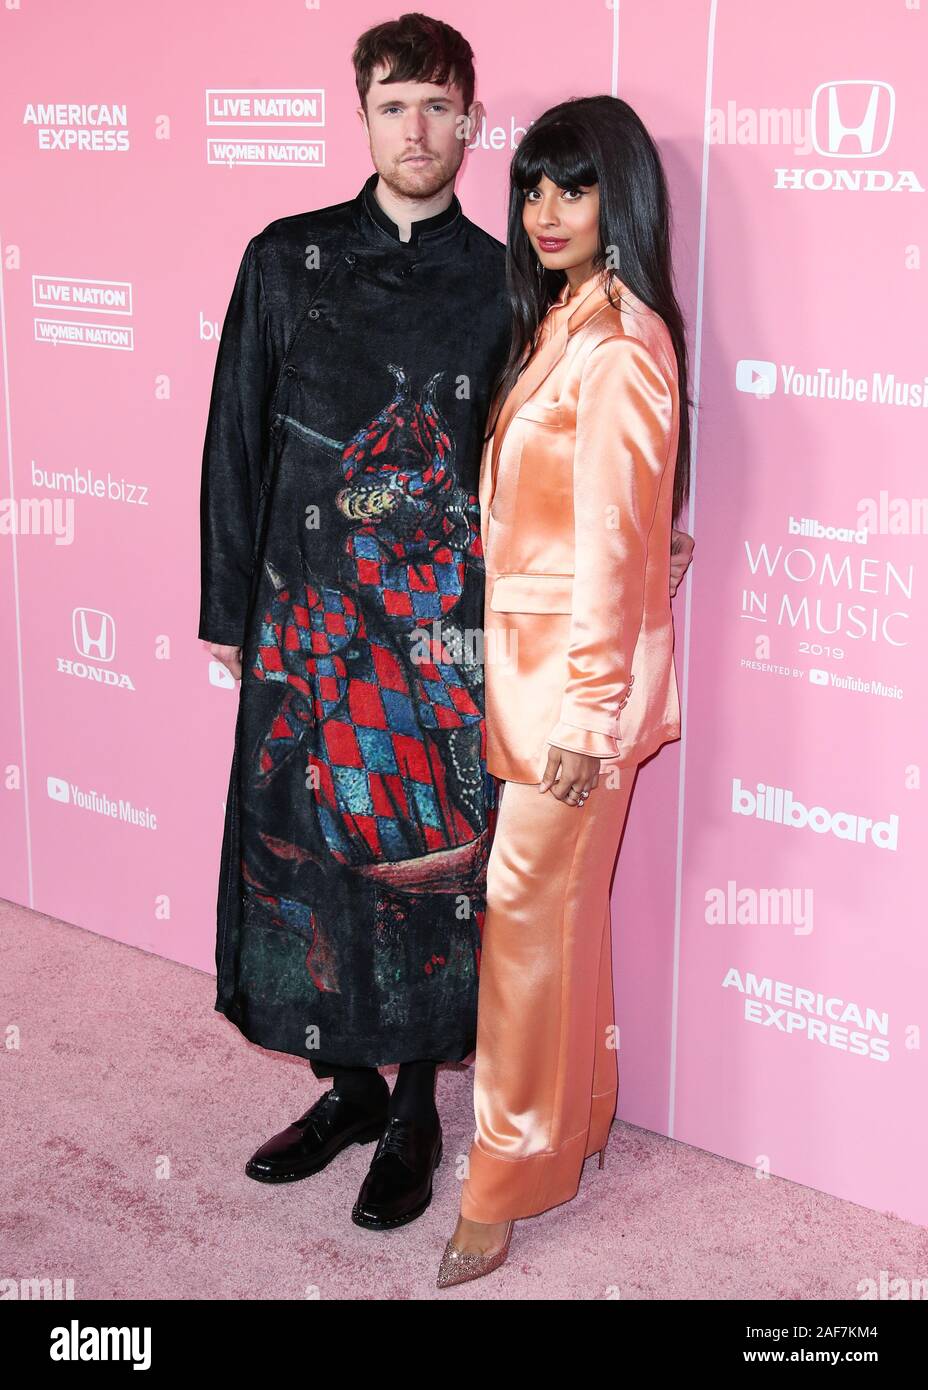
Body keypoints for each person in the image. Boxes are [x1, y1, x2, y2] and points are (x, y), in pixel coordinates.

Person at [199, 13, 694, 1234]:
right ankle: (348, 1089)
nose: (416, 130)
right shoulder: (283, 259)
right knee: (308, 859)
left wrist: (652, 545)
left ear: (470, 123)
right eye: (392, 106)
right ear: (359, 116)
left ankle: (419, 1104)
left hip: (448, 644)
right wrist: (227, 610)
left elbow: (567, 465)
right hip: (304, 632)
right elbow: (235, 442)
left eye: (437, 107)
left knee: (436, 875)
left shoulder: (506, 281)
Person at [437, 94, 689, 1286]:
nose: (545, 211)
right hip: (537, 690)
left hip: (569, 710)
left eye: (572, 188)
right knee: (559, 925)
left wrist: (588, 718)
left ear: (619, 198)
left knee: (523, 929)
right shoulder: (564, 323)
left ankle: (502, 1176)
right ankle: (576, 1122)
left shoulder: (621, 345)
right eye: (532, 187)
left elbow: (615, 553)